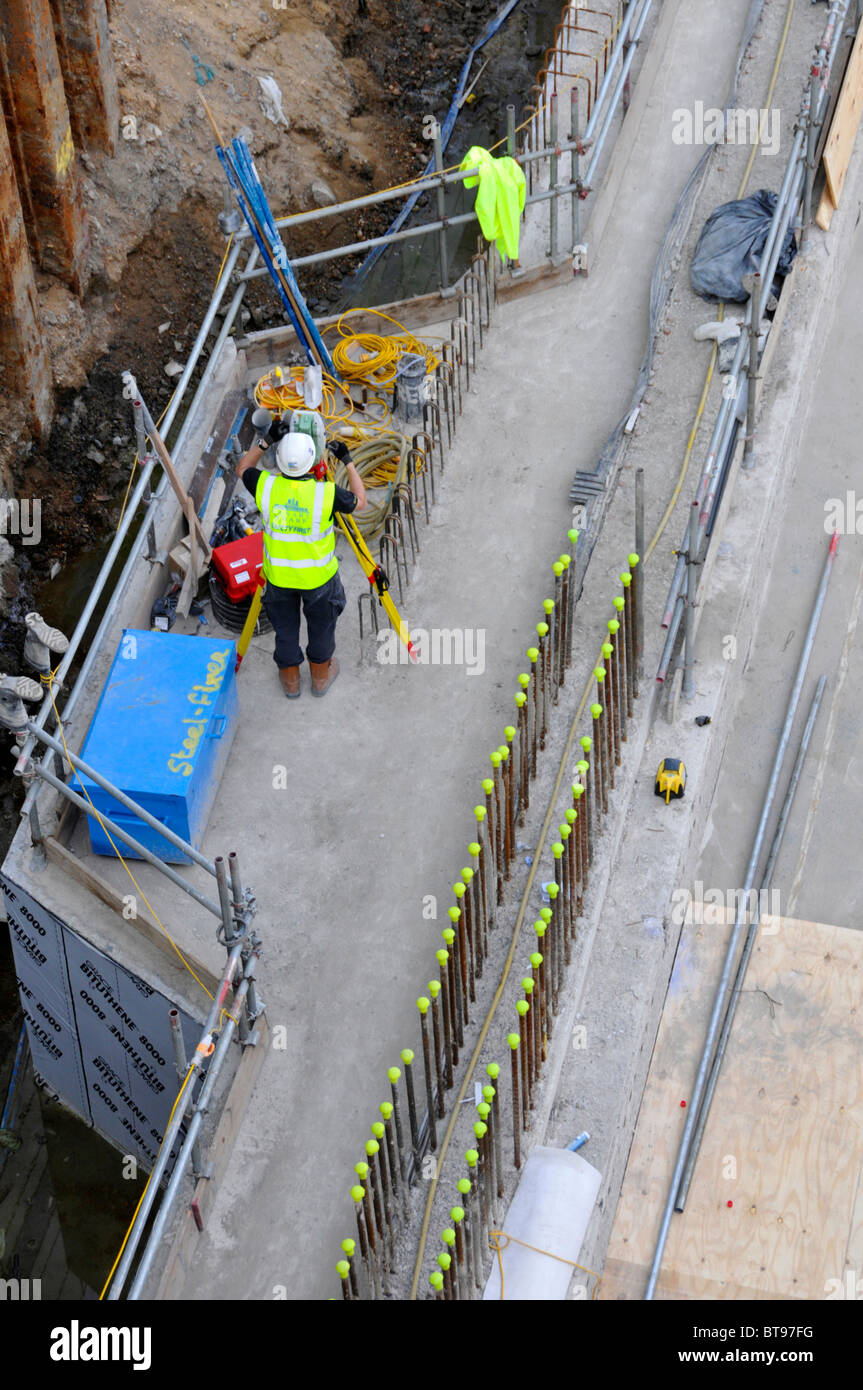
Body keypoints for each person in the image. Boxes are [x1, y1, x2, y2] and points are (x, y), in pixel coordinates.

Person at [235, 423, 366, 697]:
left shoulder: (266, 487)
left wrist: (265, 442)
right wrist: (347, 461)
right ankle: (319, 680)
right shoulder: (326, 493)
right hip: (318, 580)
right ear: (312, 462)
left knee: (285, 631)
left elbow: (242, 469)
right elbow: (360, 501)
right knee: (321, 629)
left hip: (279, 580)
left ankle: (291, 683)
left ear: (280, 462)